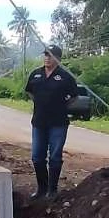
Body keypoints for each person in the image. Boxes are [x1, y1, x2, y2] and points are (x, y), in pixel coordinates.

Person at [24, 45, 78, 200]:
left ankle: (52, 190)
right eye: (45, 55)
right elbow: (29, 91)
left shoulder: (65, 76)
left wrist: (60, 105)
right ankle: (42, 188)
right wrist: (41, 103)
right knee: (37, 156)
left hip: (58, 122)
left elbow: (74, 96)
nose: (47, 57)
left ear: (58, 58)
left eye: (50, 55)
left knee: (55, 156)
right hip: (39, 122)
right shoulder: (36, 74)